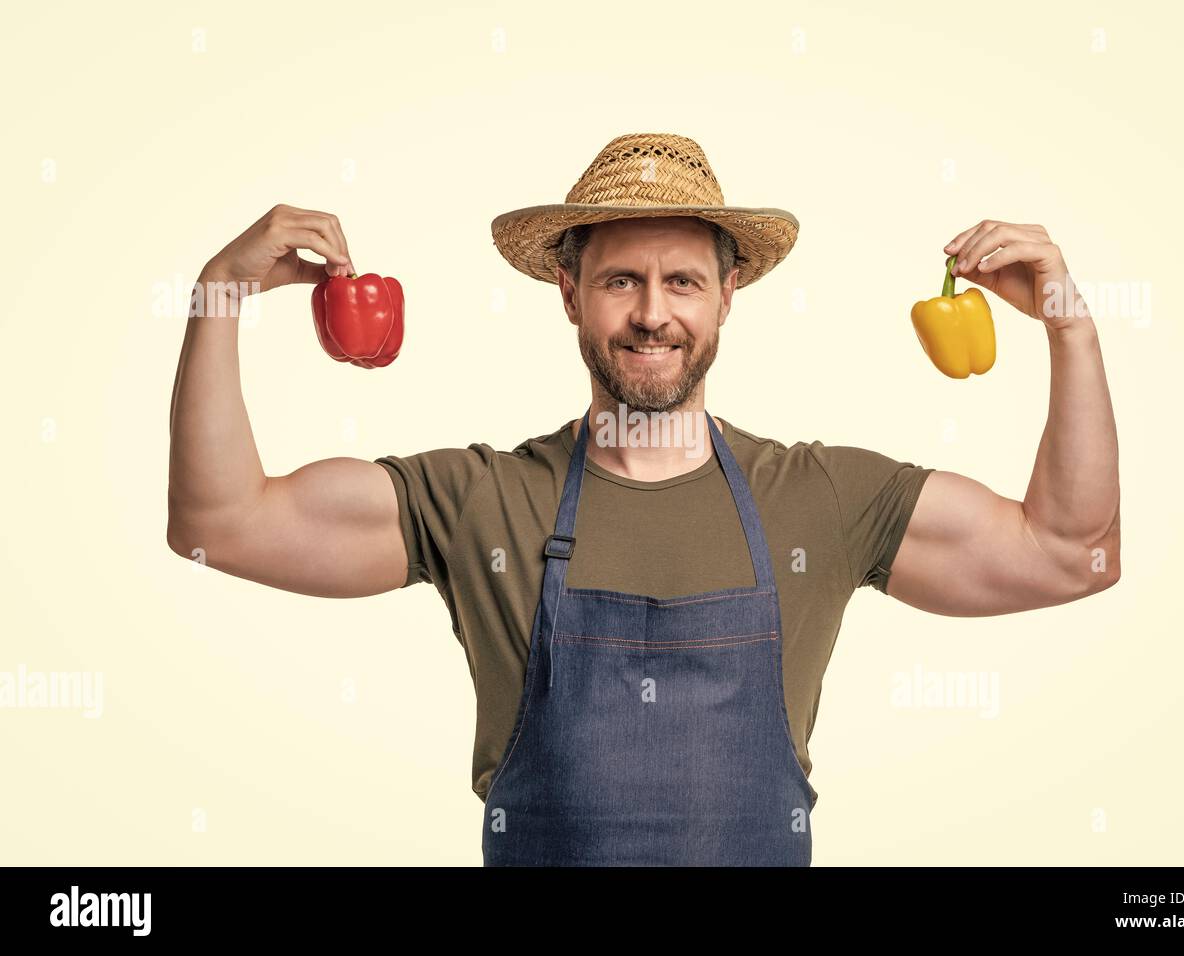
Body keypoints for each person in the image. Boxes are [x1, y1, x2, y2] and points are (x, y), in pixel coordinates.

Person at [167, 132, 1121, 866]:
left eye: (682, 281)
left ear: (727, 295)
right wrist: (220, 293)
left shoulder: (822, 498)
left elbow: (1070, 553)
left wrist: (1069, 325)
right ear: (568, 290)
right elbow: (221, 525)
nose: (653, 312)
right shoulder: (478, 499)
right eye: (621, 279)